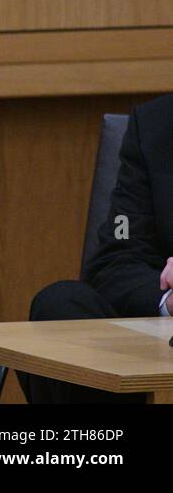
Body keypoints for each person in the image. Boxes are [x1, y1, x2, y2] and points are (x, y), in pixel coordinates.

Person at [18, 93, 173, 402]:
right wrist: (169, 300)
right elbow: (118, 261)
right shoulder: (158, 126)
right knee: (61, 306)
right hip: (164, 337)